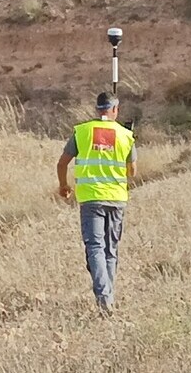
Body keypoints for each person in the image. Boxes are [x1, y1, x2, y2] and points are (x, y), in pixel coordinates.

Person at [56, 92, 136, 315]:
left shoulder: (82, 131)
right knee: (110, 249)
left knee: (95, 248)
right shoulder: (125, 134)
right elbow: (132, 171)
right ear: (115, 109)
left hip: (91, 198)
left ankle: (104, 297)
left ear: (97, 109)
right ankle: (107, 296)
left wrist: (63, 185)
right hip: (117, 198)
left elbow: (62, 163)